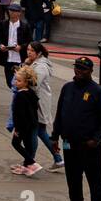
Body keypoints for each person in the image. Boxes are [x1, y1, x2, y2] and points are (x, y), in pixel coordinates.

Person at [51, 57, 101, 201]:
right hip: (68, 143)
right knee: (73, 180)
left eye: (83, 69)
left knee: (95, 183)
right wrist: (54, 136)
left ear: (91, 71)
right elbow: (60, 114)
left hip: (89, 146)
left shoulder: (99, 92)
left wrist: (96, 139)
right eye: (77, 67)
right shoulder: (67, 88)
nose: (79, 71)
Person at [26, 42, 64, 170]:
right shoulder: (35, 63)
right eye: (28, 49)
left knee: (33, 131)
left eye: (32, 50)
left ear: (39, 53)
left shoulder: (41, 67)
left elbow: (34, 84)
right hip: (37, 102)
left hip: (38, 103)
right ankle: (58, 159)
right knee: (41, 132)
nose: (29, 52)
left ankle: (30, 162)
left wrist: (23, 70)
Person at [10, 65, 41, 176]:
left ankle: (32, 163)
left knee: (15, 143)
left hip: (23, 125)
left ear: (26, 82)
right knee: (28, 145)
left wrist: (17, 129)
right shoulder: (31, 93)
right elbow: (35, 107)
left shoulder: (20, 96)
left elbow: (19, 114)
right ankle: (27, 166)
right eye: (16, 80)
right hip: (31, 123)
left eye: (19, 81)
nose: (16, 82)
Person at [0, 4, 31, 88]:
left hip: (20, 59)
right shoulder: (3, 24)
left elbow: (29, 41)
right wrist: (1, 45)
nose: (11, 13)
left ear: (19, 13)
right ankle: (17, 94)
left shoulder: (25, 26)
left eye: (14, 11)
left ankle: (18, 94)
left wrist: (21, 47)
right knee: (9, 82)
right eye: (10, 10)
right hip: (7, 58)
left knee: (20, 81)